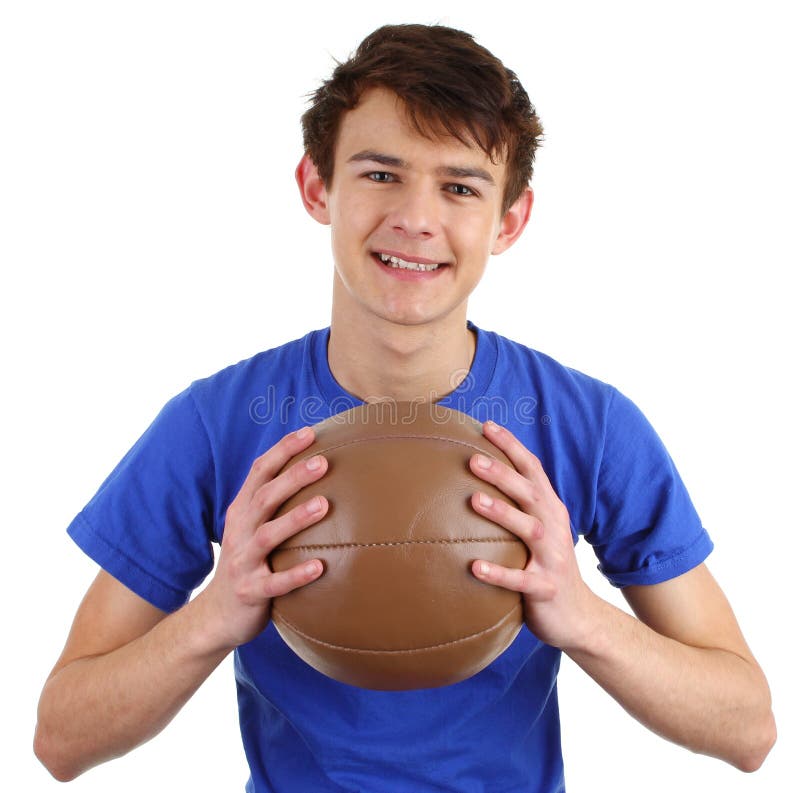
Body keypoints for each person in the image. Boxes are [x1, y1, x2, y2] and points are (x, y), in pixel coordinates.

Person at [34, 23, 776, 792]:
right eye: (381, 174)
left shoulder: (588, 424)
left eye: (459, 186)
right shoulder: (215, 423)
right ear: (317, 187)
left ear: (509, 220)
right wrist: (216, 613)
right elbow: (61, 737)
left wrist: (581, 615)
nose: (417, 217)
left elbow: (748, 727)